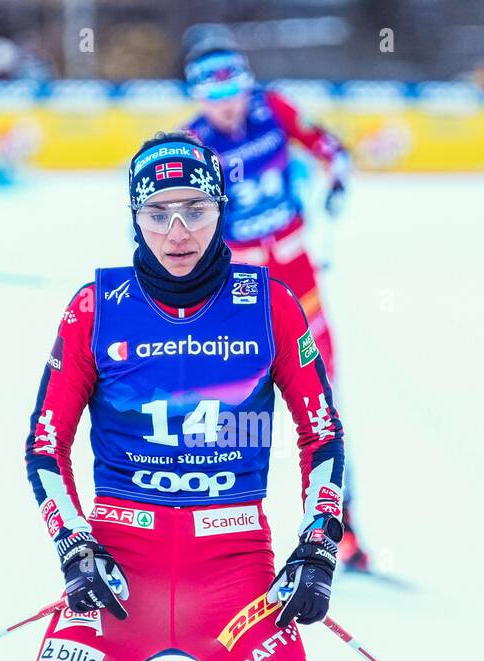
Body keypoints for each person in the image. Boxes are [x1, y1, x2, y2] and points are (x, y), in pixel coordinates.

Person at [0, 132, 398, 661]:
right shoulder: (95, 308)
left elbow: (324, 436)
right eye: (157, 212)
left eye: (195, 208)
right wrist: (74, 543)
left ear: (221, 208)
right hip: (117, 586)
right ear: (134, 216)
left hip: (238, 590)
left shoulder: (268, 305)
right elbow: (44, 444)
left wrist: (317, 543)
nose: (177, 230)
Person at [182, 47, 372, 570]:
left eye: (232, 89)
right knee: (238, 408)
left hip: (296, 272)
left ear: (247, 84)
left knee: (321, 399)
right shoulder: (193, 143)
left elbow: (329, 145)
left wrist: (336, 172)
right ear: (198, 97)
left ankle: (339, 528)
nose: (226, 105)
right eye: (212, 94)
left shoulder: (273, 110)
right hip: (241, 288)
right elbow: (173, 220)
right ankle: (223, 533)